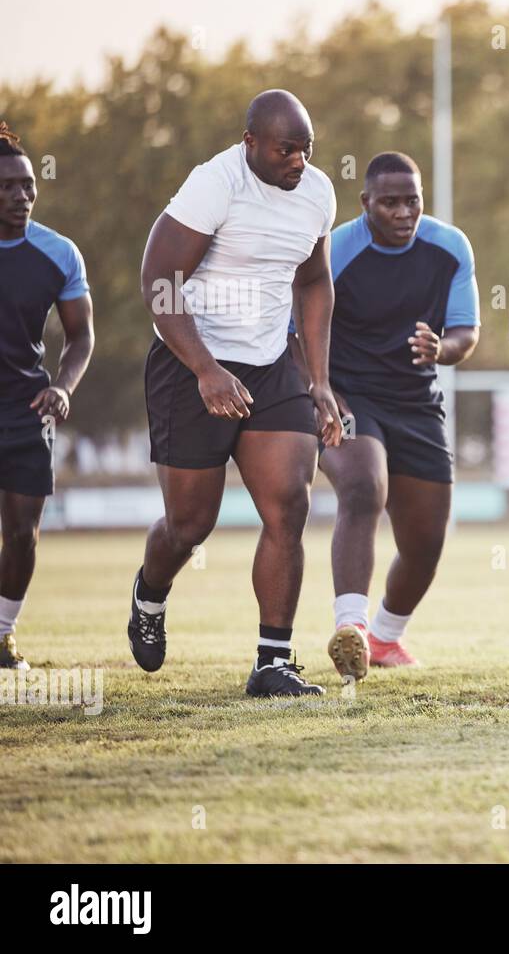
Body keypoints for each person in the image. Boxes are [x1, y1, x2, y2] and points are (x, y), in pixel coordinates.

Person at [128, 89, 342, 697]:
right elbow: (158, 283)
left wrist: (319, 380)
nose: (298, 161)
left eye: (306, 148)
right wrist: (204, 369)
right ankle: (150, 594)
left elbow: (316, 281)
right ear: (249, 142)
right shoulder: (213, 184)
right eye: (285, 150)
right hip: (190, 359)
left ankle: (273, 662)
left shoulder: (319, 191)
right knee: (190, 524)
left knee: (289, 504)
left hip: (272, 363)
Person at [294, 151, 479, 680]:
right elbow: (293, 338)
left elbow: (467, 332)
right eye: (390, 203)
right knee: (363, 486)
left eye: (412, 201)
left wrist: (441, 350)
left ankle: (384, 638)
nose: (403, 213)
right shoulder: (333, 250)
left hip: (417, 403)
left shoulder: (450, 247)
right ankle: (349, 627)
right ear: (365, 203)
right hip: (348, 397)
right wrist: (321, 389)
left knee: (425, 545)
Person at [0, 122, 94, 670]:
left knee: (22, 534)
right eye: (9, 186)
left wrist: (62, 386)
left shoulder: (58, 253)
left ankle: (4, 635)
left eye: (29, 185)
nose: (23, 196)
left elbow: (81, 337)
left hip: (27, 409)